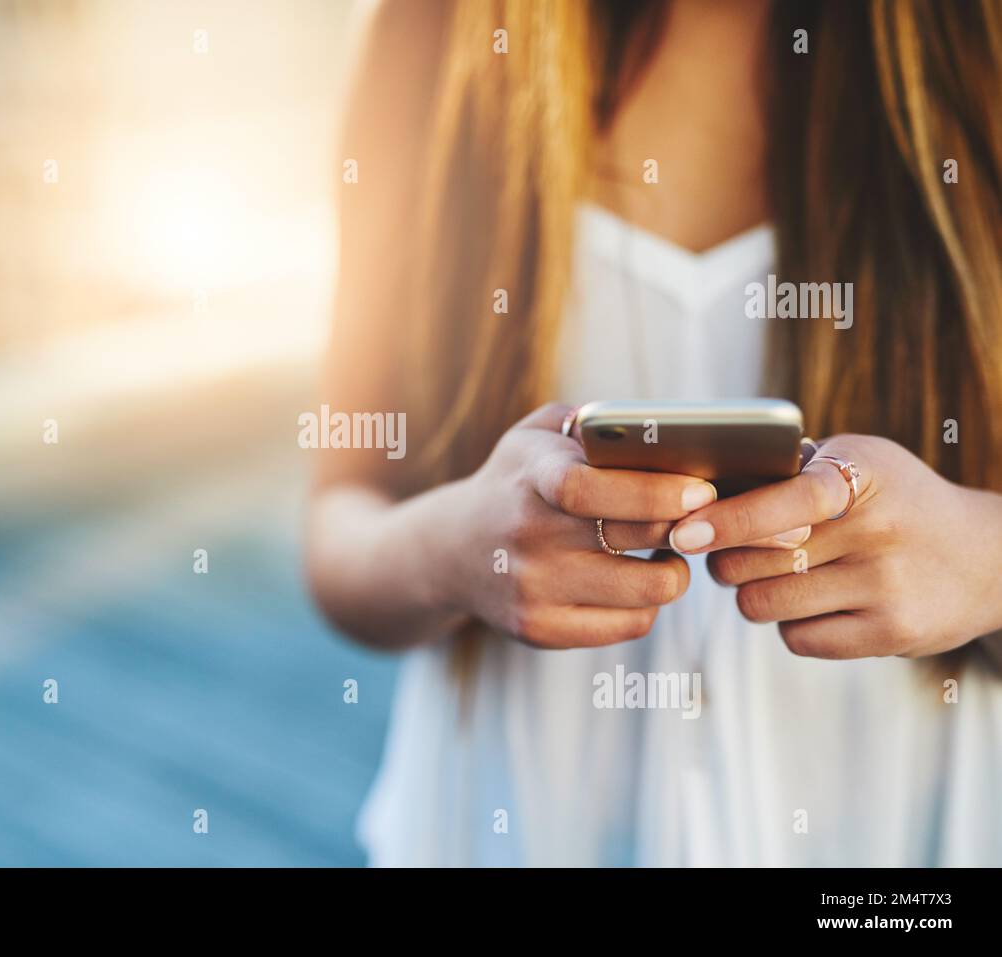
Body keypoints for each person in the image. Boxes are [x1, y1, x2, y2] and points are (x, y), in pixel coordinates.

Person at [305, 0, 1002, 866]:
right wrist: (460, 550)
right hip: (519, 826)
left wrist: (982, 561)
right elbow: (342, 519)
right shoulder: (437, 29)